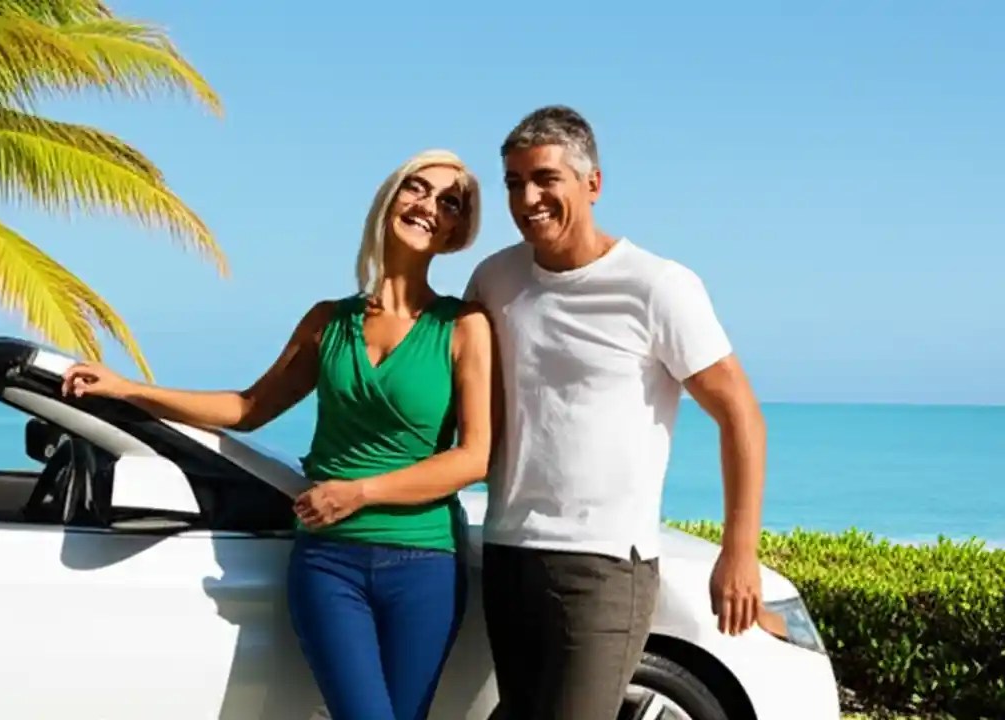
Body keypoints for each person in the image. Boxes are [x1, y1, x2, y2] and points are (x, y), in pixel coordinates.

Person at [60, 149, 495, 720]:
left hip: (426, 562)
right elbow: (247, 407)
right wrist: (128, 389)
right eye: (417, 188)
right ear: (391, 198)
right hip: (330, 565)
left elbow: (474, 457)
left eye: (449, 203)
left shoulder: (464, 327)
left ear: (457, 230)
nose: (428, 206)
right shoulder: (327, 321)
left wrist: (357, 493)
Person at [463, 105, 767, 719]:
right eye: (514, 183)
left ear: (592, 183)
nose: (529, 198)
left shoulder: (657, 285)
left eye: (546, 178)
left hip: (602, 566)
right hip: (507, 552)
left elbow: (740, 415)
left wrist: (740, 552)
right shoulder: (494, 279)